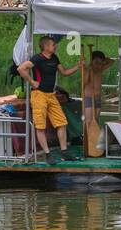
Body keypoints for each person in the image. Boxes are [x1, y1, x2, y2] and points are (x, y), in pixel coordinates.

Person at [17, 35, 82, 163]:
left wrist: (77, 66)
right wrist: (31, 81)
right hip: (39, 95)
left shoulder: (54, 58)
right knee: (40, 126)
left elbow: (64, 72)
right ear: (46, 46)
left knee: (62, 123)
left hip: (51, 95)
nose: (55, 46)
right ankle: (48, 154)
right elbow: (21, 68)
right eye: (53, 44)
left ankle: (64, 151)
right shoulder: (37, 58)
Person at [82, 49, 114, 128]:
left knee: (95, 120)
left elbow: (111, 61)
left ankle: (93, 138)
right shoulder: (88, 69)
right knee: (88, 121)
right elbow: (84, 82)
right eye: (96, 63)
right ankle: (86, 138)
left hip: (97, 98)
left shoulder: (100, 69)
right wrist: (89, 70)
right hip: (88, 97)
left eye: (100, 63)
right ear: (91, 62)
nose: (98, 65)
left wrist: (102, 61)